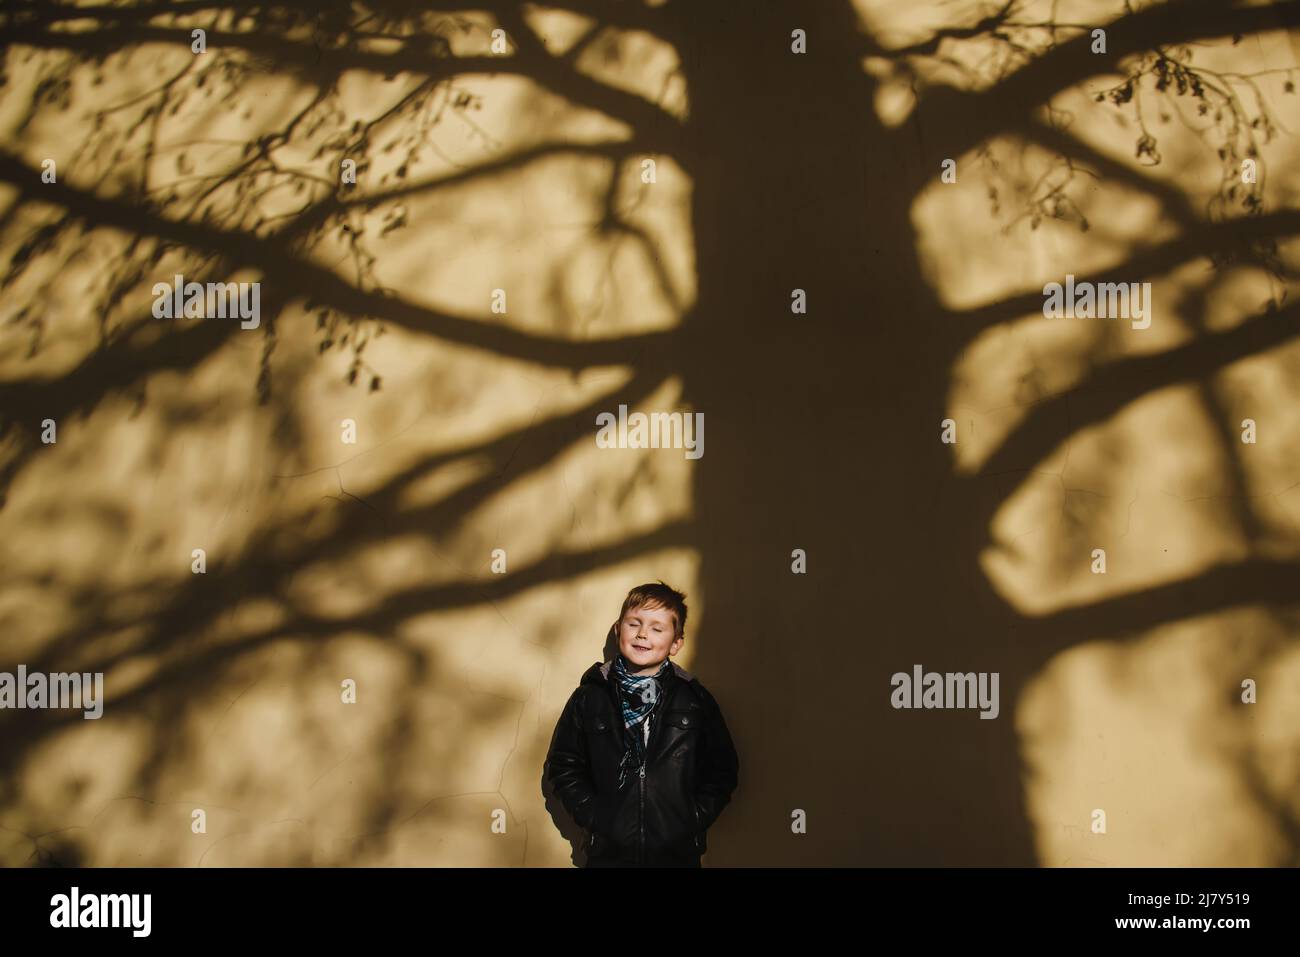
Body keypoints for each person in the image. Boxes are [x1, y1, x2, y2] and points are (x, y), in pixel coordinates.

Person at [544, 581, 739, 867]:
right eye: (634, 624)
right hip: (609, 857)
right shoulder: (590, 697)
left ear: (676, 644)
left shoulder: (693, 699)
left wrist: (691, 820)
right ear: (617, 630)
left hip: (676, 856)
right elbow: (564, 766)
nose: (643, 634)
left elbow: (722, 769)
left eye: (657, 628)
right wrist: (597, 819)